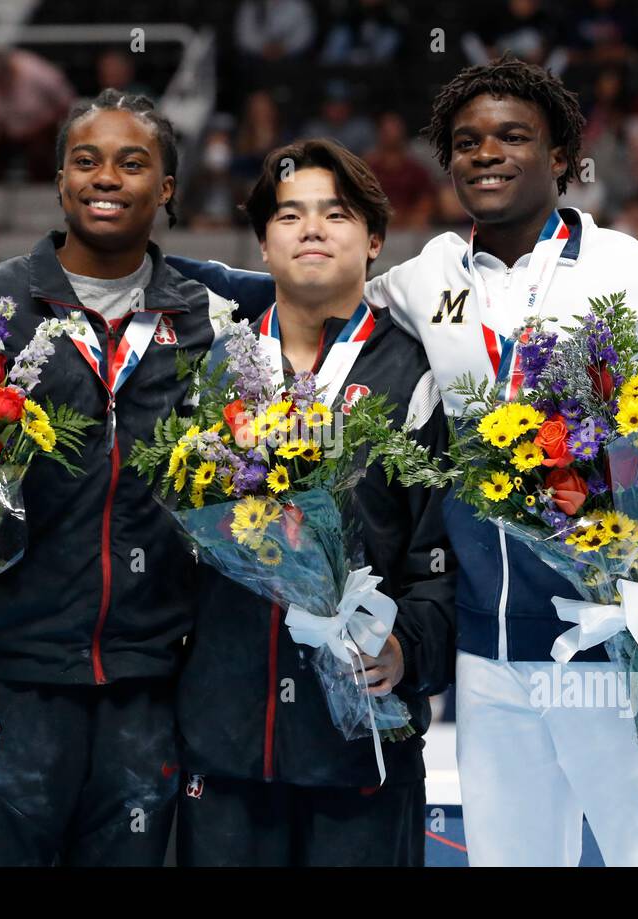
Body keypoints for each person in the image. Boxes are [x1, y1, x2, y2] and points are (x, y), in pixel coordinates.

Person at [169, 54, 638, 866]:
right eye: (467, 141)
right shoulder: (423, 279)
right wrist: (146, 274)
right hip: (488, 664)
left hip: (614, 643)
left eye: (513, 137)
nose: (487, 153)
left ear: (560, 157)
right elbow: (309, 282)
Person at [0, 89, 226, 866]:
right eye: (86, 161)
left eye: (134, 163)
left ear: (166, 188)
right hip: (9, 683)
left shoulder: (212, 320)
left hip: (148, 687)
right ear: (61, 181)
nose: (108, 178)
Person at [176, 139, 456, 867]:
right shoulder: (208, 372)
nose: (311, 228)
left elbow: (448, 559)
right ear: (262, 244)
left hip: (363, 746)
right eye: (290, 214)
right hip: (224, 744)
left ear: (373, 241)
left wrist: (407, 650)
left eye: (336, 213)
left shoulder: (419, 374)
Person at [0, 48, 75, 183]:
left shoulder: (36, 72)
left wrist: (45, 124)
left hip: (39, 128)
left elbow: (65, 102)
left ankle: (42, 188)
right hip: (4, 131)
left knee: (42, 150)